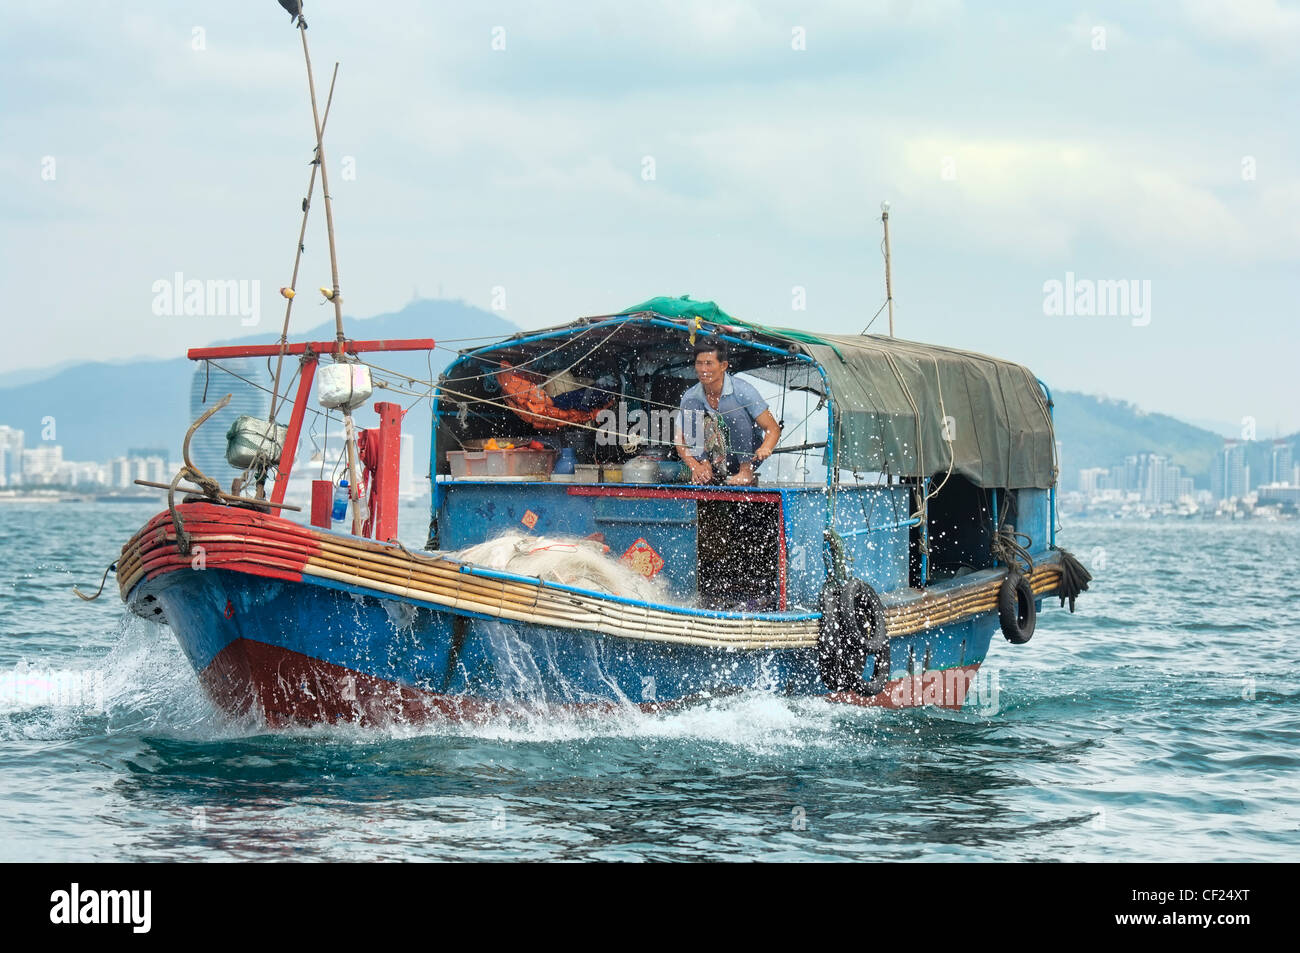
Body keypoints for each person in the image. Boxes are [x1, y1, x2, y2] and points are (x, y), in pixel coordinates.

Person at [674, 341, 781, 485]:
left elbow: (773, 429)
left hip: (744, 456)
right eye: (699, 363)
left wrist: (766, 447)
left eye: (709, 363)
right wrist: (696, 466)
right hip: (712, 457)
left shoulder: (743, 391)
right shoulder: (691, 396)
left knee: (730, 408)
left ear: (723, 366)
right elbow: (679, 438)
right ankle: (706, 467)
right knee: (692, 405)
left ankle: (745, 471)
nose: (703, 369)